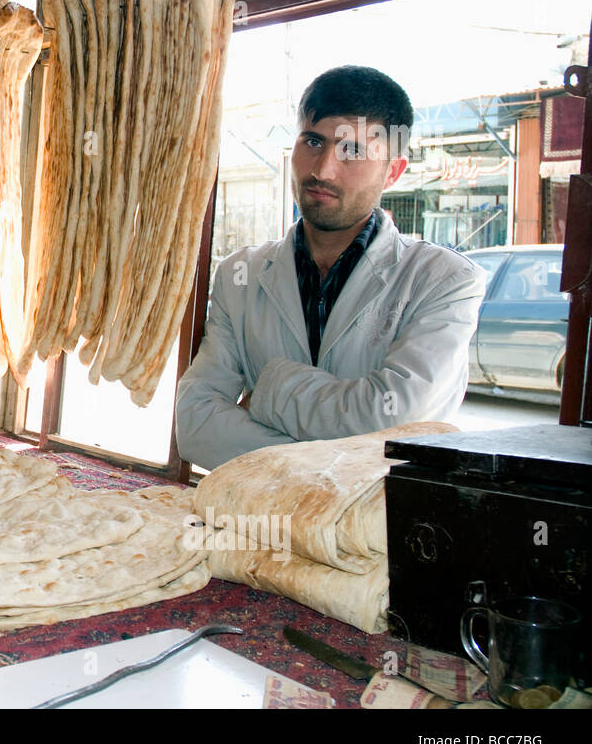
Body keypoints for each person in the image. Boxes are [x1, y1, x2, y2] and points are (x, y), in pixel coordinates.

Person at [174, 65, 486, 471]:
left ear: (392, 171)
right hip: (257, 522)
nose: (322, 170)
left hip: (377, 532)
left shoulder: (443, 281)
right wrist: (343, 458)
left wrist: (269, 391)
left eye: (352, 151)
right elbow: (195, 426)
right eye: (313, 141)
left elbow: (394, 423)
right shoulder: (242, 275)